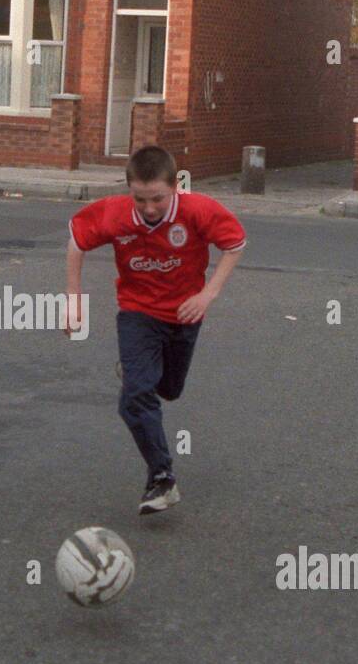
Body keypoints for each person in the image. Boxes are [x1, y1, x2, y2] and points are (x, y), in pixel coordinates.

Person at [66, 146, 246, 515]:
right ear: (129, 189)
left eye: (158, 199)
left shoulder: (198, 210)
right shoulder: (115, 214)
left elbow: (235, 244)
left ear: (176, 188)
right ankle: (162, 476)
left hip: (184, 314)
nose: (149, 208)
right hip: (138, 312)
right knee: (135, 396)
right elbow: (76, 240)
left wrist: (208, 293)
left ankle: (139, 374)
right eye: (140, 199)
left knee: (170, 389)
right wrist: (73, 297)